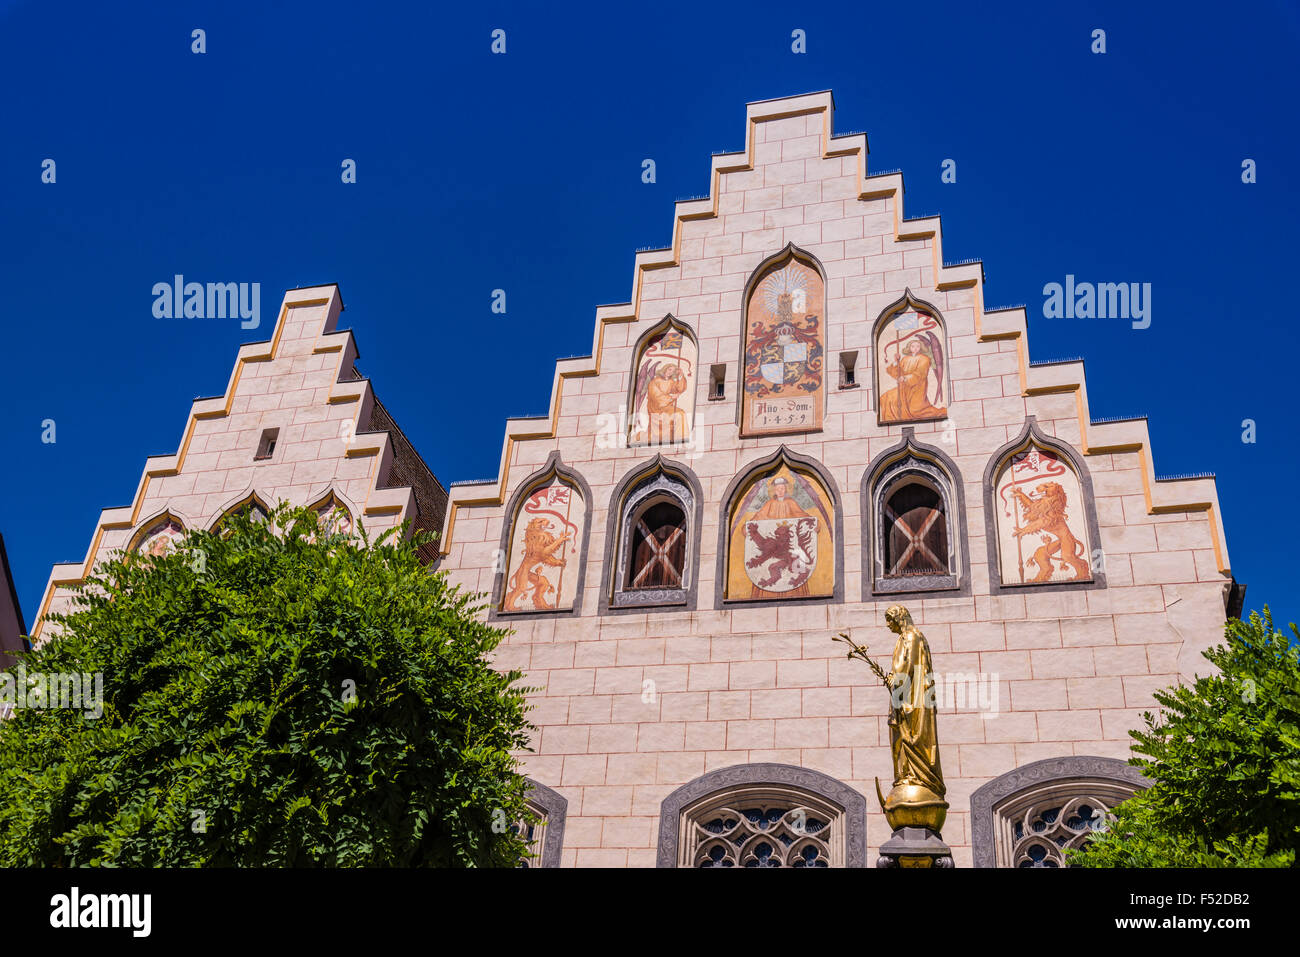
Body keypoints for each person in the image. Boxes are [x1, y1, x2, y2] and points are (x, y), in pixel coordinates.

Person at [880, 339, 946, 422]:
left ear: (921, 347)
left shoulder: (924, 359)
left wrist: (905, 378)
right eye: (913, 346)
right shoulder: (905, 359)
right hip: (904, 388)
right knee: (886, 397)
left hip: (917, 388)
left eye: (917, 346)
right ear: (909, 348)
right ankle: (891, 422)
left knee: (915, 410)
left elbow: (920, 373)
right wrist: (896, 362)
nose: (915, 348)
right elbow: (897, 373)